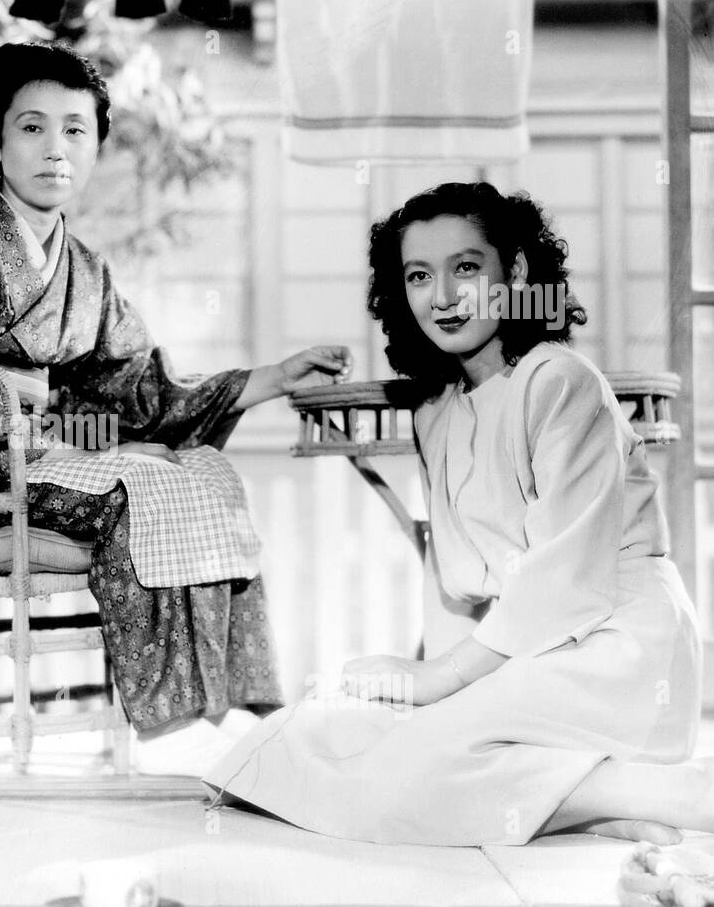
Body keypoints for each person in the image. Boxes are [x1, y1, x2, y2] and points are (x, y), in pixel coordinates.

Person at [0, 41, 352, 773]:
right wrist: (92, 453)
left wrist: (274, 376)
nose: (57, 150)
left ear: (96, 145)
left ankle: (232, 705)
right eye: (32, 128)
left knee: (203, 471)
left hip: (34, 468)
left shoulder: (85, 271)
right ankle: (173, 721)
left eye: (76, 130)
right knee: (131, 486)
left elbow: (141, 391)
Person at [205, 181, 712, 844]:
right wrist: (426, 689)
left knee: (396, 776)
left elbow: (564, 578)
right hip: (517, 652)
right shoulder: (436, 410)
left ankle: (674, 793)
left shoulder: (559, 382)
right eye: (419, 275)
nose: (441, 296)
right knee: (306, 733)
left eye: (465, 268)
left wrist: (440, 682)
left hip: (611, 646)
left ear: (516, 272)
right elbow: (453, 583)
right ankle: (592, 800)